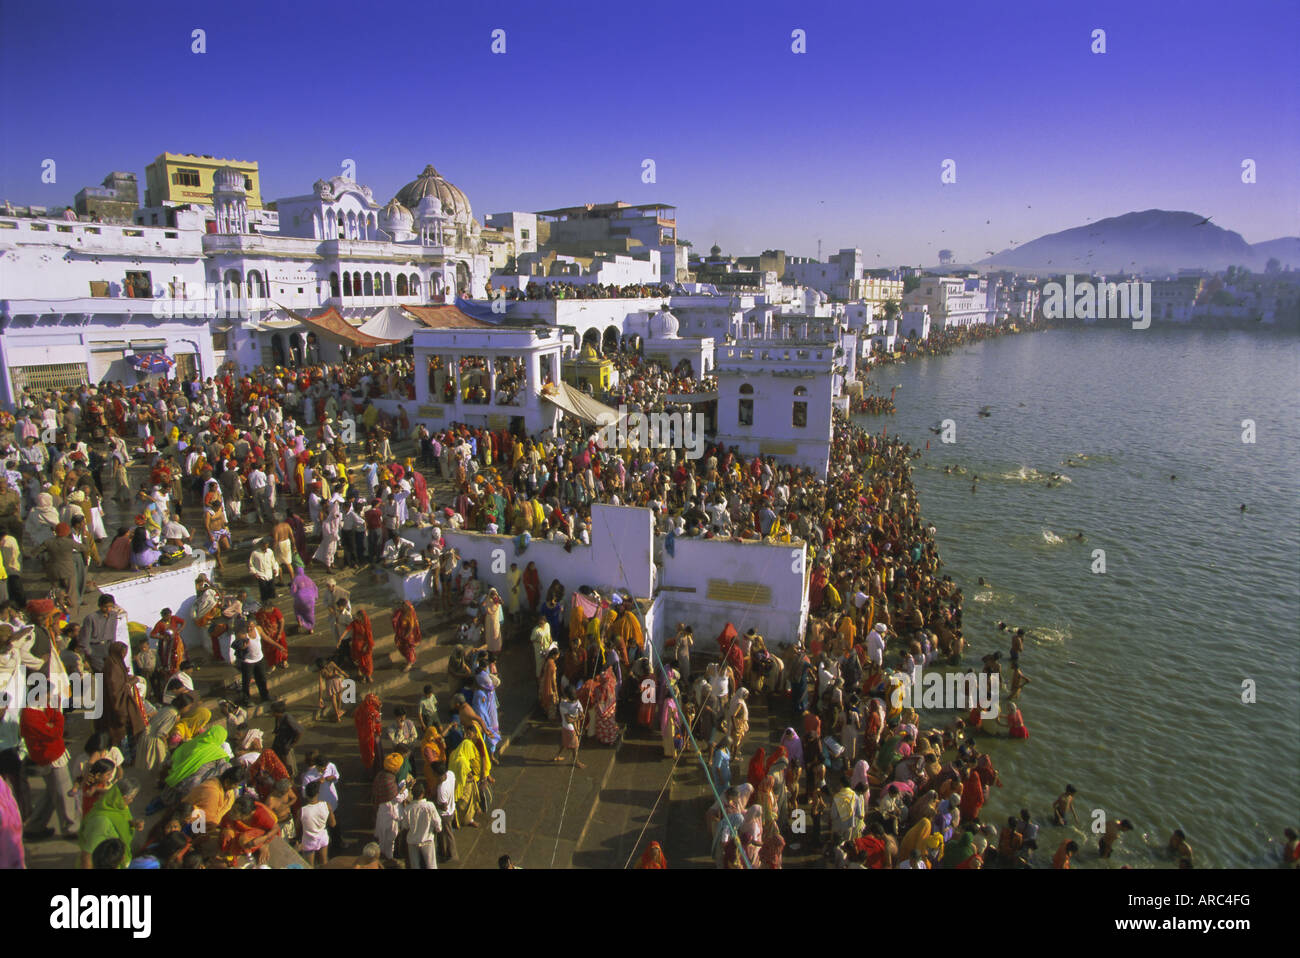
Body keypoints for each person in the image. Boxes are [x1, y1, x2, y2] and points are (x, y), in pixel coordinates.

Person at [78, 775, 141, 869]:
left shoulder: (118, 807)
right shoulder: (101, 822)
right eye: (131, 797)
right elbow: (87, 856)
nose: (132, 801)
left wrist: (133, 823)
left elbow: (121, 822)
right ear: (123, 797)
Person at [403, 781, 442, 870]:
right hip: (427, 840)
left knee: (415, 866)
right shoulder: (430, 806)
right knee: (431, 865)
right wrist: (438, 829)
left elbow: (405, 826)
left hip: (412, 841)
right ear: (423, 793)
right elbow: (438, 823)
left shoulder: (408, 809)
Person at [297, 780, 331, 868]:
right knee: (324, 864)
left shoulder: (302, 811)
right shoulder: (326, 805)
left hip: (309, 841)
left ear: (306, 794)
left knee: (309, 866)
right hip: (323, 838)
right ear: (318, 793)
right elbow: (333, 823)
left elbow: (298, 827)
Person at [553, 687, 585, 769]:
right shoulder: (565, 705)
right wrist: (579, 717)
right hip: (569, 728)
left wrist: (580, 715)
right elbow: (568, 720)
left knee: (564, 742)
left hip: (567, 727)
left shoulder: (565, 704)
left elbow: (580, 712)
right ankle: (576, 762)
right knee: (575, 746)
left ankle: (557, 755)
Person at [392, 600, 421, 674]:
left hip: (407, 636)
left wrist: (406, 635)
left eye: (404, 606)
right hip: (401, 634)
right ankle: (409, 660)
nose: (402, 607)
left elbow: (411, 627)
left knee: (408, 650)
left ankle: (410, 663)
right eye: (402, 605)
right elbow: (394, 619)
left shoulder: (410, 615)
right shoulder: (400, 613)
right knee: (401, 647)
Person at [290, 565, 318, 636]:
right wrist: (315, 597)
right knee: (310, 613)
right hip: (311, 599)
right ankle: (310, 628)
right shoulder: (309, 579)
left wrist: (295, 595)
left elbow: (293, 590)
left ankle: (300, 621)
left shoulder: (296, 579)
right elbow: (315, 588)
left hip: (300, 598)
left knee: (298, 610)